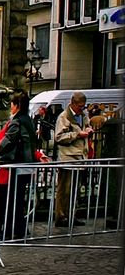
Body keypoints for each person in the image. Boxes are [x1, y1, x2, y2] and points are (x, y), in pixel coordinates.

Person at [0, 91, 37, 239]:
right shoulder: (28, 120)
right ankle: (19, 227)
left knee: (12, 199)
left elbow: (7, 140)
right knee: (18, 199)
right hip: (27, 165)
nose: (10, 107)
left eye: (12, 104)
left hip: (17, 164)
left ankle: (12, 229)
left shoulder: (17, 122)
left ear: (16, 106)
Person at [53, 91, 92, 227]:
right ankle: (61, 215)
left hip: (80, 157)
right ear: (73, 103)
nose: (82, 108)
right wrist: (77, 135)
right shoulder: (64, 117)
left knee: (75, 189)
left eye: (83, 106)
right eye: (80, 106)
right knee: (65, 189)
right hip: (67, 158)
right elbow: (58, 137)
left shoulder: (83, 115)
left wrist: (88, 129)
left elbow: (86, 126)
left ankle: (71, 214)